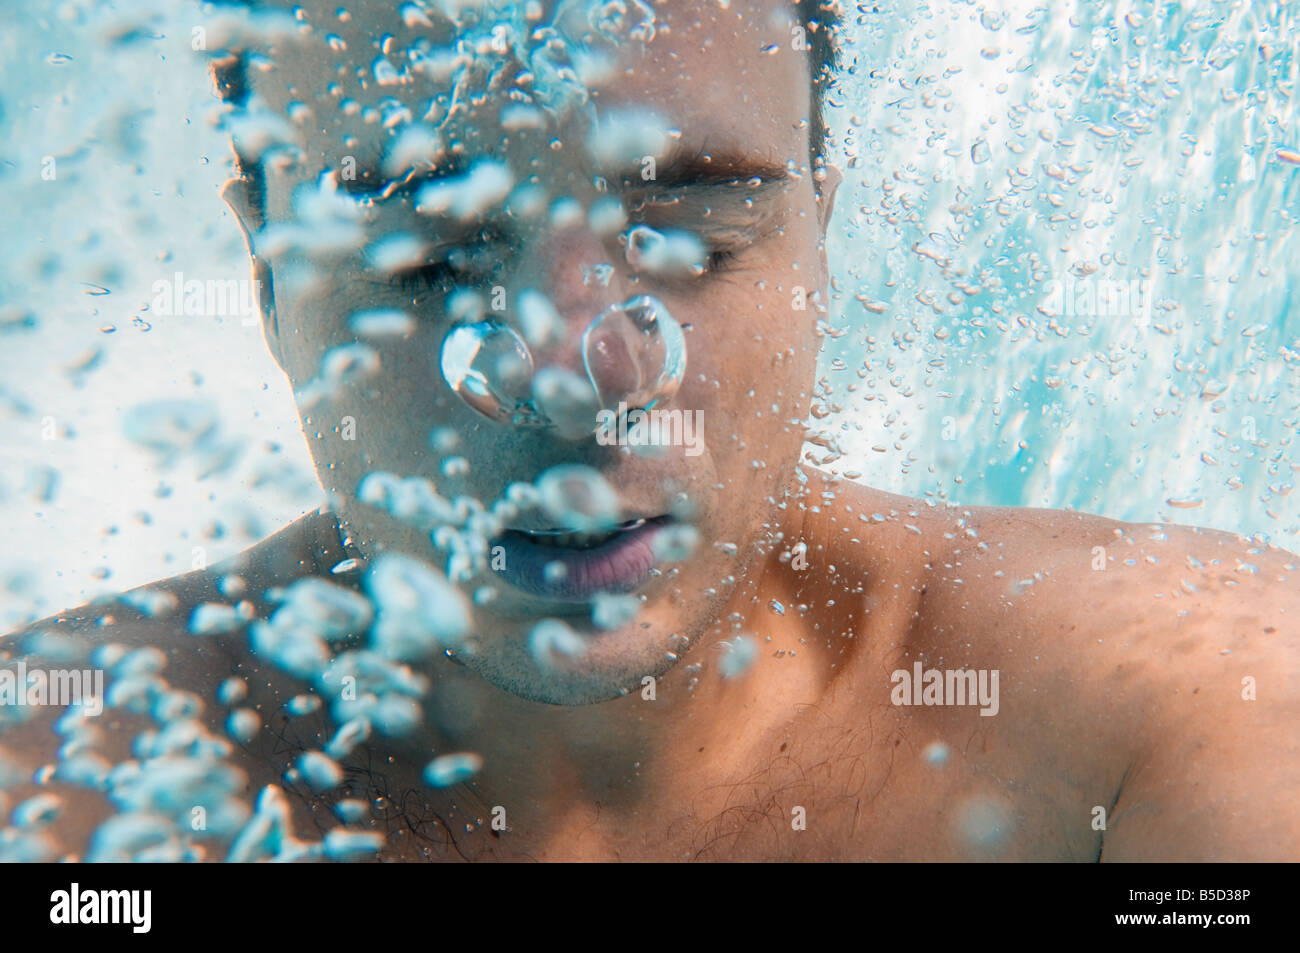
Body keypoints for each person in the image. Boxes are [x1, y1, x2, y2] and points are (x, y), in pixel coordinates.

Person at [3, 0, 1298, 862]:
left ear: (818, 244)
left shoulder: (1166, 711)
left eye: (687, 235)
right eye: (424, 255)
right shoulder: (56, 784)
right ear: (272, 279)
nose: (574, 372)